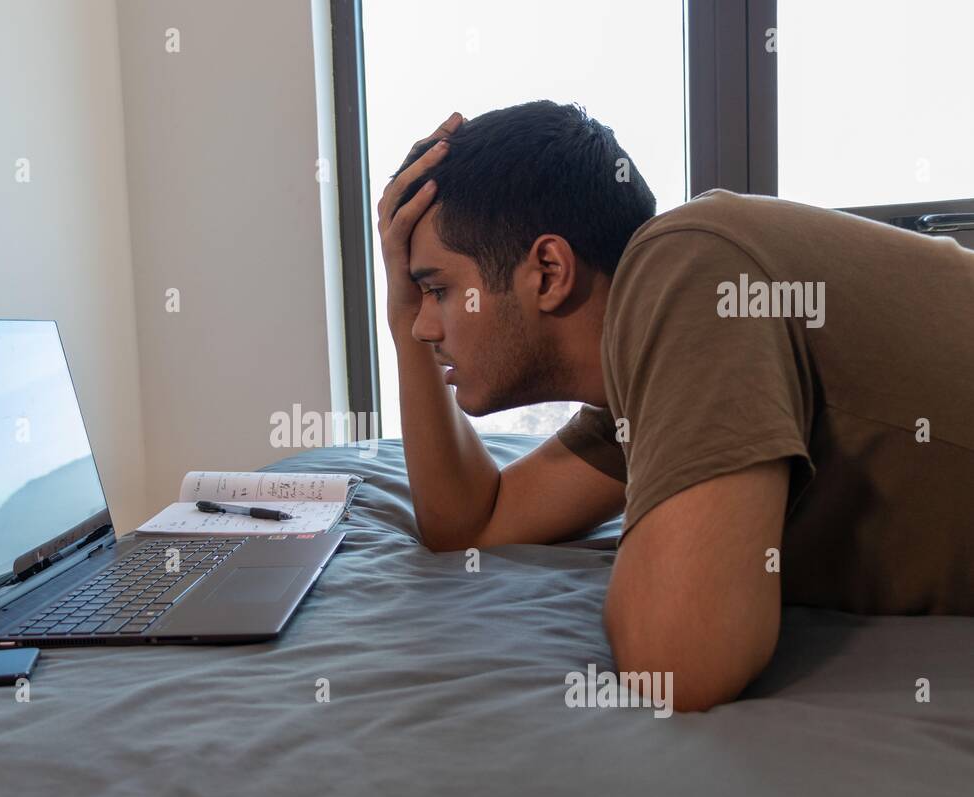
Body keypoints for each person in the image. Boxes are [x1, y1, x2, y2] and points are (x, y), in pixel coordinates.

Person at [378, 102, 974, 711]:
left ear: (549, 271)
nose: (426, 326)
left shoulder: (689, 263)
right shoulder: (643, 371)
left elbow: (681, 662)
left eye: (437, 290)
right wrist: (401, 316)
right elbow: (474, 525)